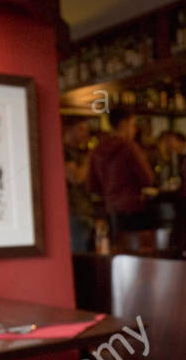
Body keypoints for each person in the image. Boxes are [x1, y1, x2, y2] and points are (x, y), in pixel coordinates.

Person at [86, 107, 155, 237]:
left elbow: (92, 186)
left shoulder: (97, 150)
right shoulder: (129, 147)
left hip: (110, 211)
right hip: (133, 209)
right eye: (133, 125)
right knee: (137, 253)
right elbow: (148, 179)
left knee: (119, 251)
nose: (135, 129)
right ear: (123, 124)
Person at [62, 116, 94, 253]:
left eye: (86, 130)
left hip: (85, 210)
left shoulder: (78, 153)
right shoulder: (64, 152)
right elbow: (75, 178)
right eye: (81, 129)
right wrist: (89, 160)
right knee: (81, 257)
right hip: (74, 212)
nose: (85, 134)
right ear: (68, 129)